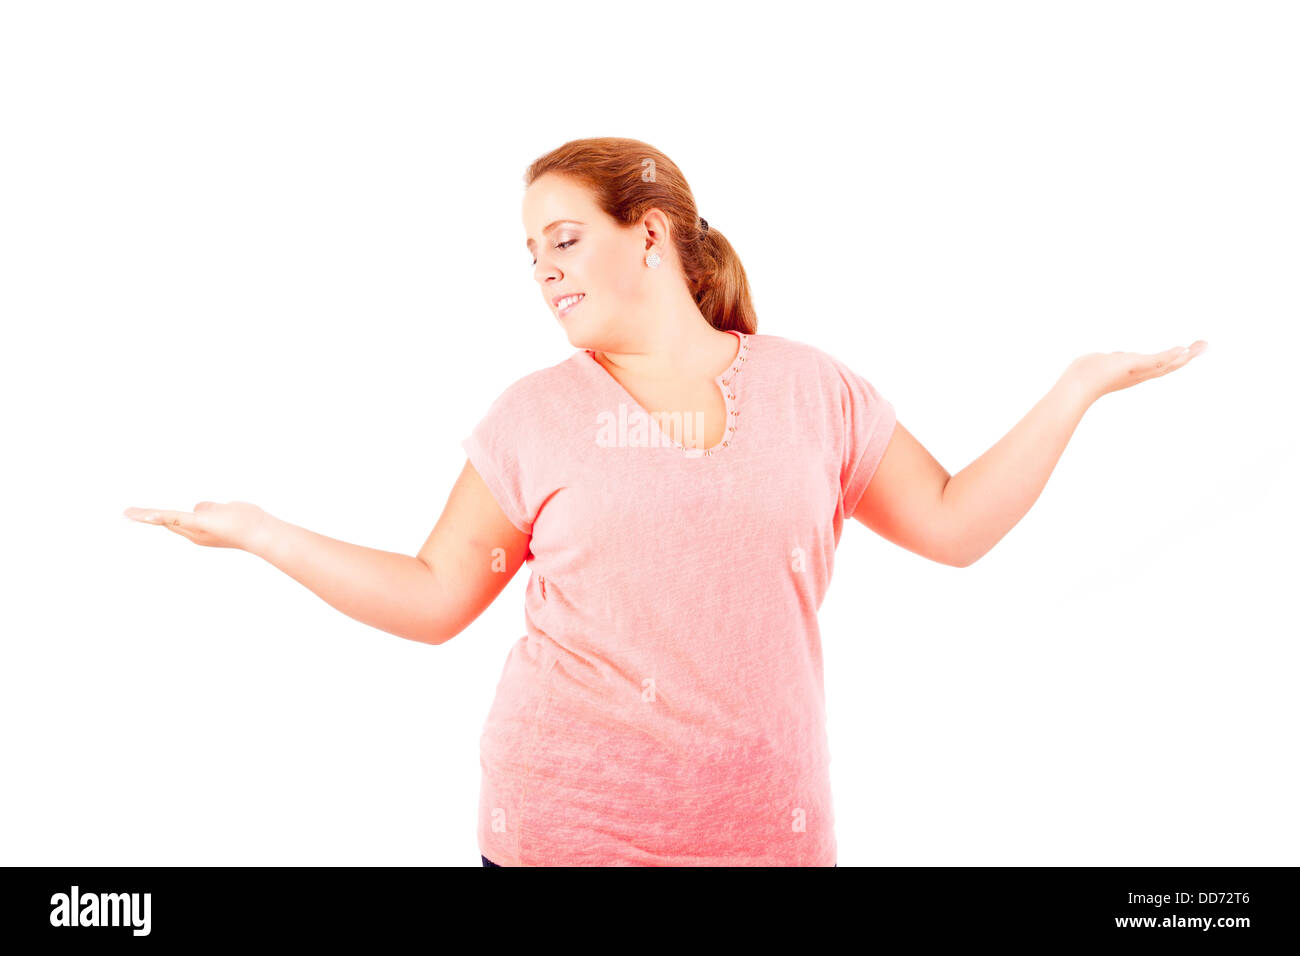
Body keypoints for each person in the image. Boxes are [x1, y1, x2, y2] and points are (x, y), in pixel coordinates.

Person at [123, 136, 1207, 867]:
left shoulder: (812, 388)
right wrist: (259, 531)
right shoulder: (533, 414)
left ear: (647, 233)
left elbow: (955, 522)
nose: (544, 271)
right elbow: (434, 594)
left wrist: (1075, 388)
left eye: (564, 238)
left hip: (769, 840)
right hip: (559, 830)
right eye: (529, 254)